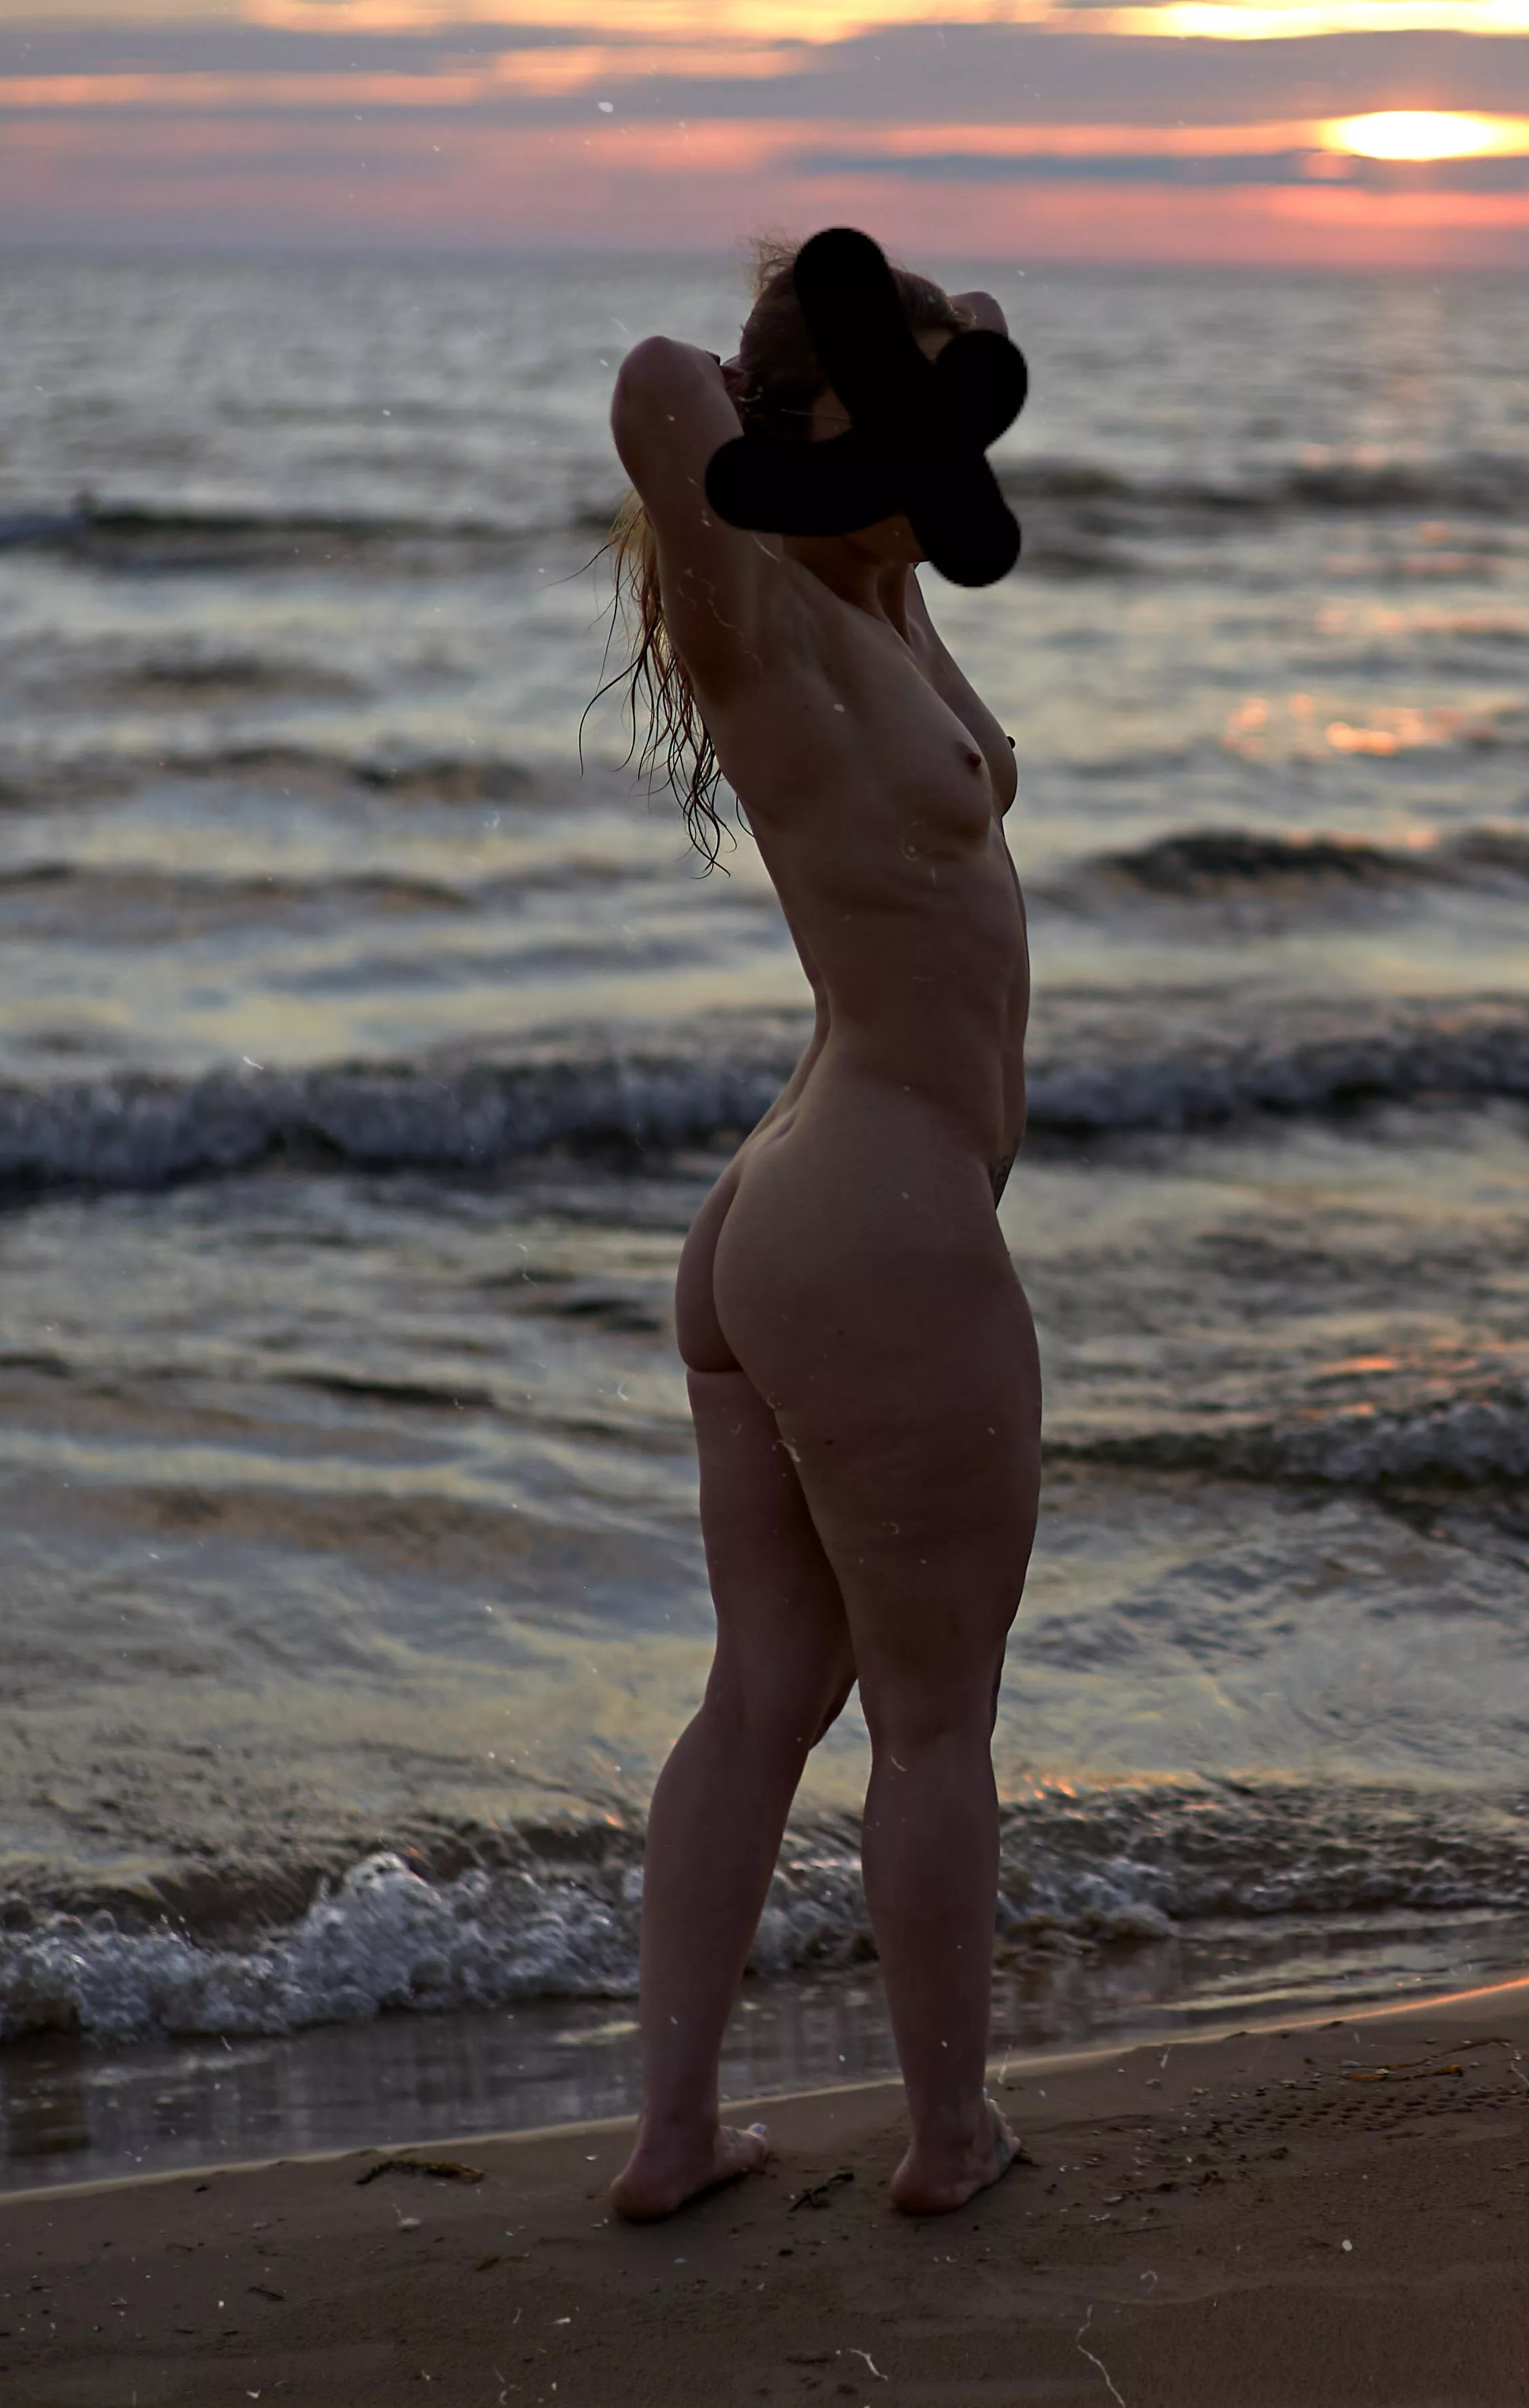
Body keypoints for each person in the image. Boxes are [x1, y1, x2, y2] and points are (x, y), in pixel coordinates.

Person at [592, 244, 1036, 2221]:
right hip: (868, 1208)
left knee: (771, 1691)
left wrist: (921, 405)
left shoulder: (877, 595)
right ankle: (953, 2142)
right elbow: (656, 375)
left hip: (811, 1191)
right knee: (934, 1723)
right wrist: (820, 391)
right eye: (901, 406)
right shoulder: (757, 618)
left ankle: (675, 2139)